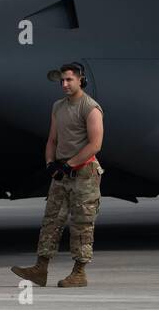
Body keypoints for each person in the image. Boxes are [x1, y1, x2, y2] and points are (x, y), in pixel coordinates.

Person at [12, 62, 105, 288]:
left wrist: (70, 165)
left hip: (85, 172)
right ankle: (40, 268)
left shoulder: (90, 108)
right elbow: (52, 139)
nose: (64, 84)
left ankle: (79, 272)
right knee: (52, 220)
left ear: (80, 80)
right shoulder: (58, 107)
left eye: (69, 80)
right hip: (62, 171)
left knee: (82, 223)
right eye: (62, 80)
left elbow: (95, 144)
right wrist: (50, 163)